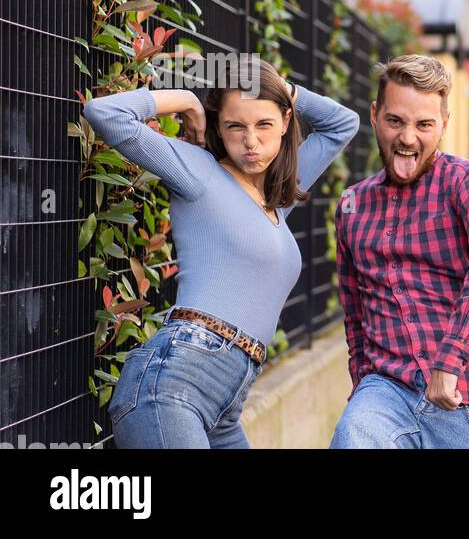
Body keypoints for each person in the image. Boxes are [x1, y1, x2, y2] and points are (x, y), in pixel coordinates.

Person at [86, 58, 360, 448]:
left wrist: (283, 88)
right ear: (218, 127)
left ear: (285, 121)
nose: (251, 141)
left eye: (264, 125)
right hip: (170, 389)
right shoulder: (199, 172)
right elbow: (104, 112)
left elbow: (343, 124)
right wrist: (186, 99)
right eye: (236, 126)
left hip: (225, 406)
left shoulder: (276, 201)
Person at [329, 55, 469, 449]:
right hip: (386, 388)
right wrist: (362, 386)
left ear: (444, 125)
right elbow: (356, 316)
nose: (408, 138)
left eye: (424, 125)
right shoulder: (352, 205)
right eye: (395, 121)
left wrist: (449, 358)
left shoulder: (465, 181)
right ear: (374, 115)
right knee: (354, 438)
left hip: (467, 392)